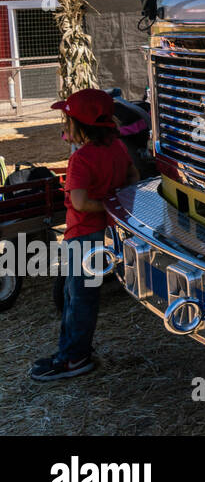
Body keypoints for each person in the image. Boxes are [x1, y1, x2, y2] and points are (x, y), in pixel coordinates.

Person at [29, 88, 138, 381]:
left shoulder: (81, 159)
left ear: (81, 125)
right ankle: (70, 352)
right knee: (76, 294)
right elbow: (133, 179)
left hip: (82, 236)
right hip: (103, 233)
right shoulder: (117, 148)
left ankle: (74, 359)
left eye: (68, 121)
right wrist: (115, 205)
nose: (65, 127)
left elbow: (79, 203)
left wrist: (102, 206)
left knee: (79, 298)